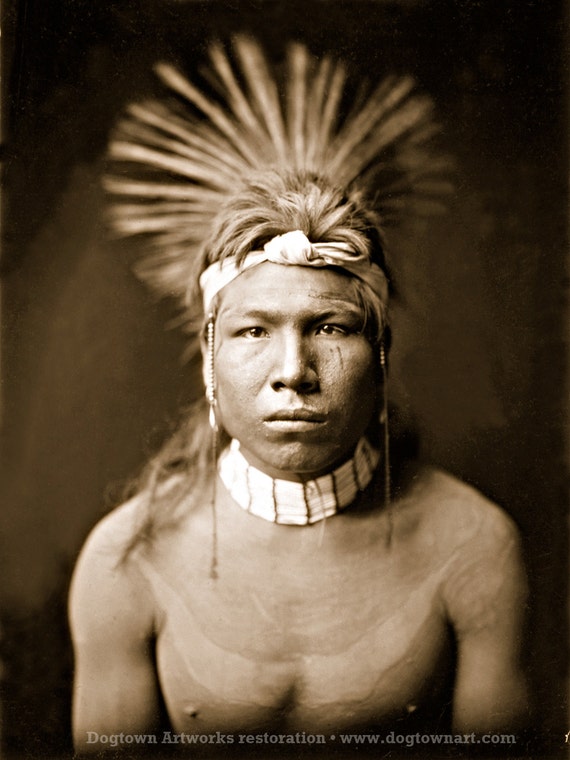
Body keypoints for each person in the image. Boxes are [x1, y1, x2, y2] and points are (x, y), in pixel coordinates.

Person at [69, 36, 529, 753]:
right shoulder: (126, 558)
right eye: (254, 331)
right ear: (210, 359)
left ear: (381, 354)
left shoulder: (475, 545)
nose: (294, 370)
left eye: (330, 327)